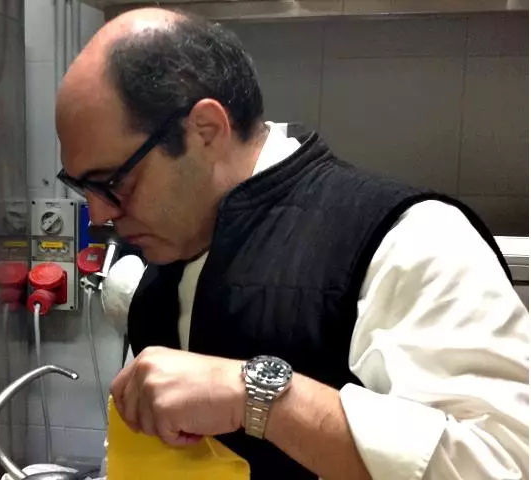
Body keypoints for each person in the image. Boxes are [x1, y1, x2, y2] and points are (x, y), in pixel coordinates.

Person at [54, 7, 530, 480]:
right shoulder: (162, 257)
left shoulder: (411, 239)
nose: (100, 215)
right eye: (83, 189)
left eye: (113, 181)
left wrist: (257, 398)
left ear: (205, 131)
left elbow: (503, 462)